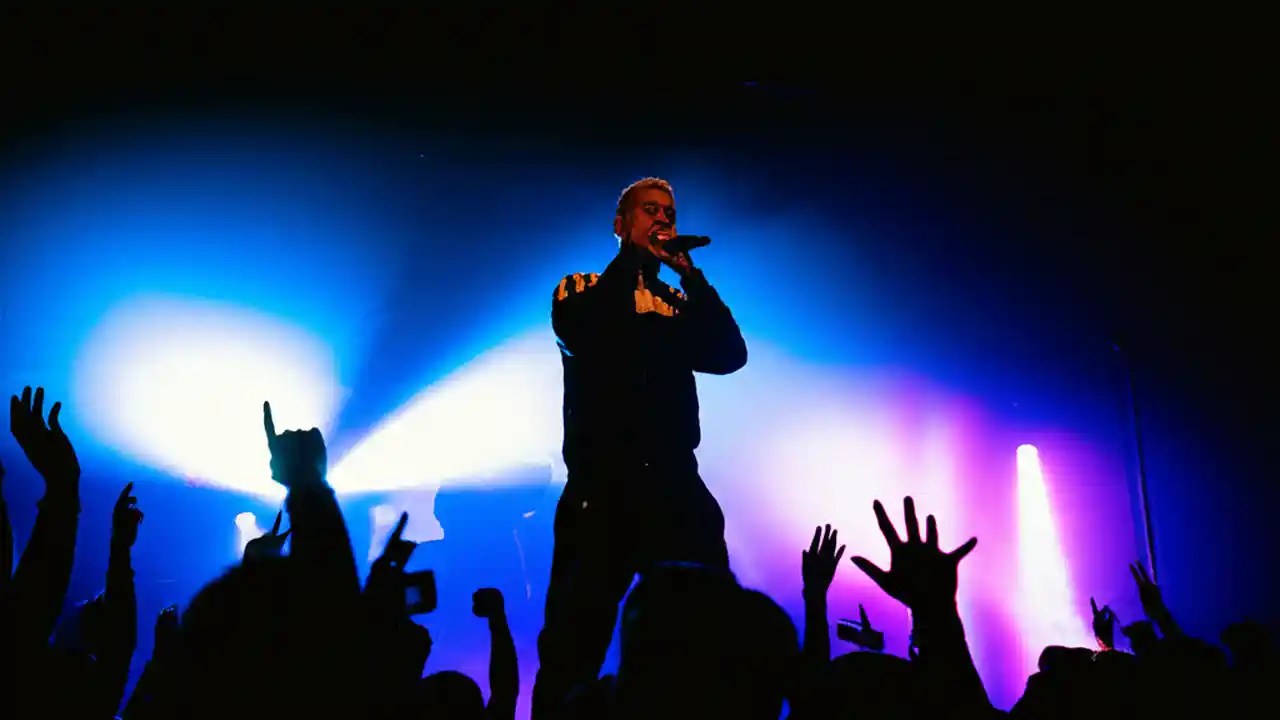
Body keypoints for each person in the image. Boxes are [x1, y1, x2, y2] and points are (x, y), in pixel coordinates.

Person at [533, 177, 748, 717]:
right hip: (602, 487)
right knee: (573, 642)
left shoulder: (677, 299)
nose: (663, 220)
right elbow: (588, 333)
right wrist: (634, 262)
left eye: (669, 212)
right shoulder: (580, 288)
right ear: (620, 224)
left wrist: (691, 276)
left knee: (708, 625)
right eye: (649, 211)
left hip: (675, 482)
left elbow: (729, 353)